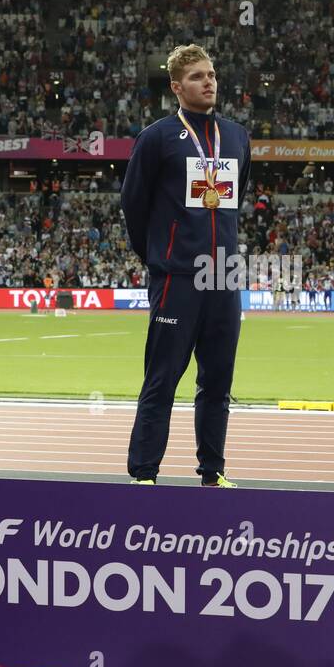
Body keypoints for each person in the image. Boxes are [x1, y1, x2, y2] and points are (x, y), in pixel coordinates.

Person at [121, 43, 251, 488]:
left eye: (212, 74)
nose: (208, 82)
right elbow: (133, 205)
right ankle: (144, 474)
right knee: (162, 380)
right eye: (197, 76)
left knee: (217, 384)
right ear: (177, 87)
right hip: (177, 277)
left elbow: (236, 201)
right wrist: (161, 258)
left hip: (224, 276)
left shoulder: (236, 137)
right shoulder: (156, 138)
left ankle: (212, 473)